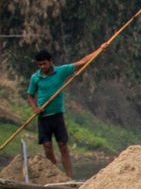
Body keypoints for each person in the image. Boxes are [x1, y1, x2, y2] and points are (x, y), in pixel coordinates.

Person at [26, 45, 105, 179]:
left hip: (57, 116)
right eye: (40, 65)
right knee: (47, 147)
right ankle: (54, 176)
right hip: (43, 117)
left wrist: (100, 49)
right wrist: (35, 108)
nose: (42, 67)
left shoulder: (61, 72)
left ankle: (68, 177)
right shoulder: (35, 78)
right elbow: (30, 95)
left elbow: (82, 62)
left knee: (62, 145)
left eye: (44, 63)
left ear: (50, 61)